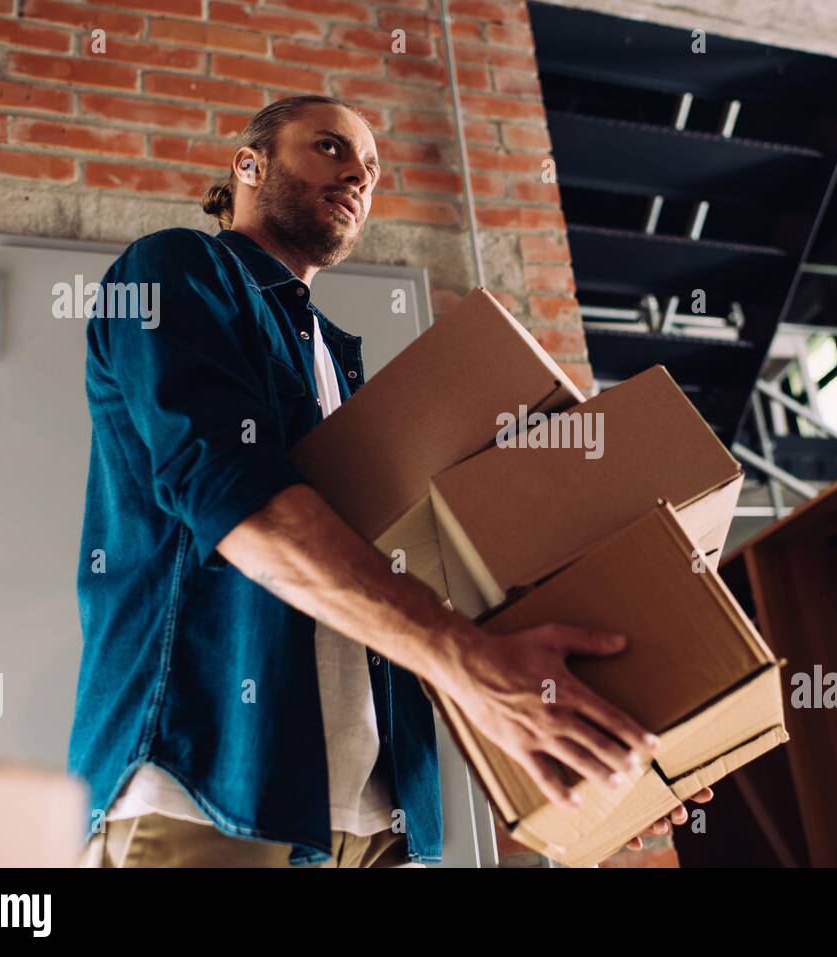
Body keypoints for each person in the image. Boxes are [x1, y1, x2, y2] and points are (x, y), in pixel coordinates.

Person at [70, 94, 711, 868]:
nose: (359, 176)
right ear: (249, 165)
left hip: (375, 818)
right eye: (331, 148)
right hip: (206, 786)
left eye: (372, 169)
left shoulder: (340, 365)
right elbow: (240, 504)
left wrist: (592, 740)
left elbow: (412, 587)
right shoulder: (177, 270)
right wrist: (470, 664)